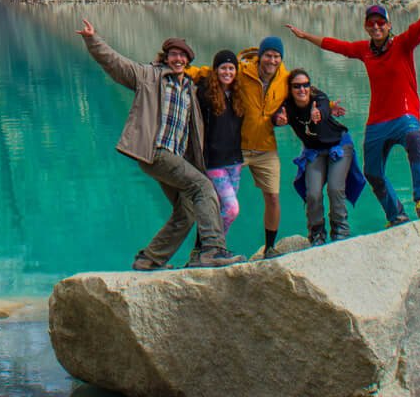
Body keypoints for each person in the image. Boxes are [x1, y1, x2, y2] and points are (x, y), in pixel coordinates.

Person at [76, 19, 243, 269]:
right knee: (203, 187)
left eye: (182, 56)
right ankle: (212, 249)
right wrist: (92, 39)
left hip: (173, 157)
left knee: (186, 210)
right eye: (173, 54)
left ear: (188, 61)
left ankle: (150, 259)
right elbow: (116, 64)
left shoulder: (189, 88)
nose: (178, 59)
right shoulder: (149, 76)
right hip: (155, 152)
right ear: (165, 57)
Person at [286, 0, 420, 227]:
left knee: (415, 142)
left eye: (380, 22)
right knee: (372, 172)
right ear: (366, 26)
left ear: (388, 24)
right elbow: (336, 46)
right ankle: (396, 215)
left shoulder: (402, 44)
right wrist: (305, 36)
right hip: (377, 121)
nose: (376, 27)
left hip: (405, 116)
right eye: (371, 23)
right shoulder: (365, 50)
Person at [187, 36, 290, 251]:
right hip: (237, 147)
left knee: (272, 196)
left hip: (263, 147)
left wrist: (328, 106)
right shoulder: (241, 71)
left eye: (276, 56)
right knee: (222, 203)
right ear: (260, 56)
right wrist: (180, 69)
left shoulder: (285, 79)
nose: (272, 60)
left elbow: (306, 93)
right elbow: (208, 72)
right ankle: (206, 247)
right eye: (268, 55)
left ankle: (269, 248)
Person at [273, 68, 366, 244]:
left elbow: (323, 107)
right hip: (314, 151)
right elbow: (275, 117)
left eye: (305, 85)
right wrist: (277, 120)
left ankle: (340, 230)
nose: (302, 89)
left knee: (335, 188)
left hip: (339, 146)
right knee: (313, 194)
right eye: (297, 86)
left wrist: (319, 113)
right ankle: (316, 232)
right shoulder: (287, 107)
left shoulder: (319, 98)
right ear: (290, 89)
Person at [196, 50, 246, 232]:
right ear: (215, 70)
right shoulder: (205, 94)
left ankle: (210, 247)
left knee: (220, 208)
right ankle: (214, 243)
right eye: (223, 68)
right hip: (214, 162)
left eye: (231, 68)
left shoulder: (237, 95)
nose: (227, 72)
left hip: (235, 161)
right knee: (232, 209)